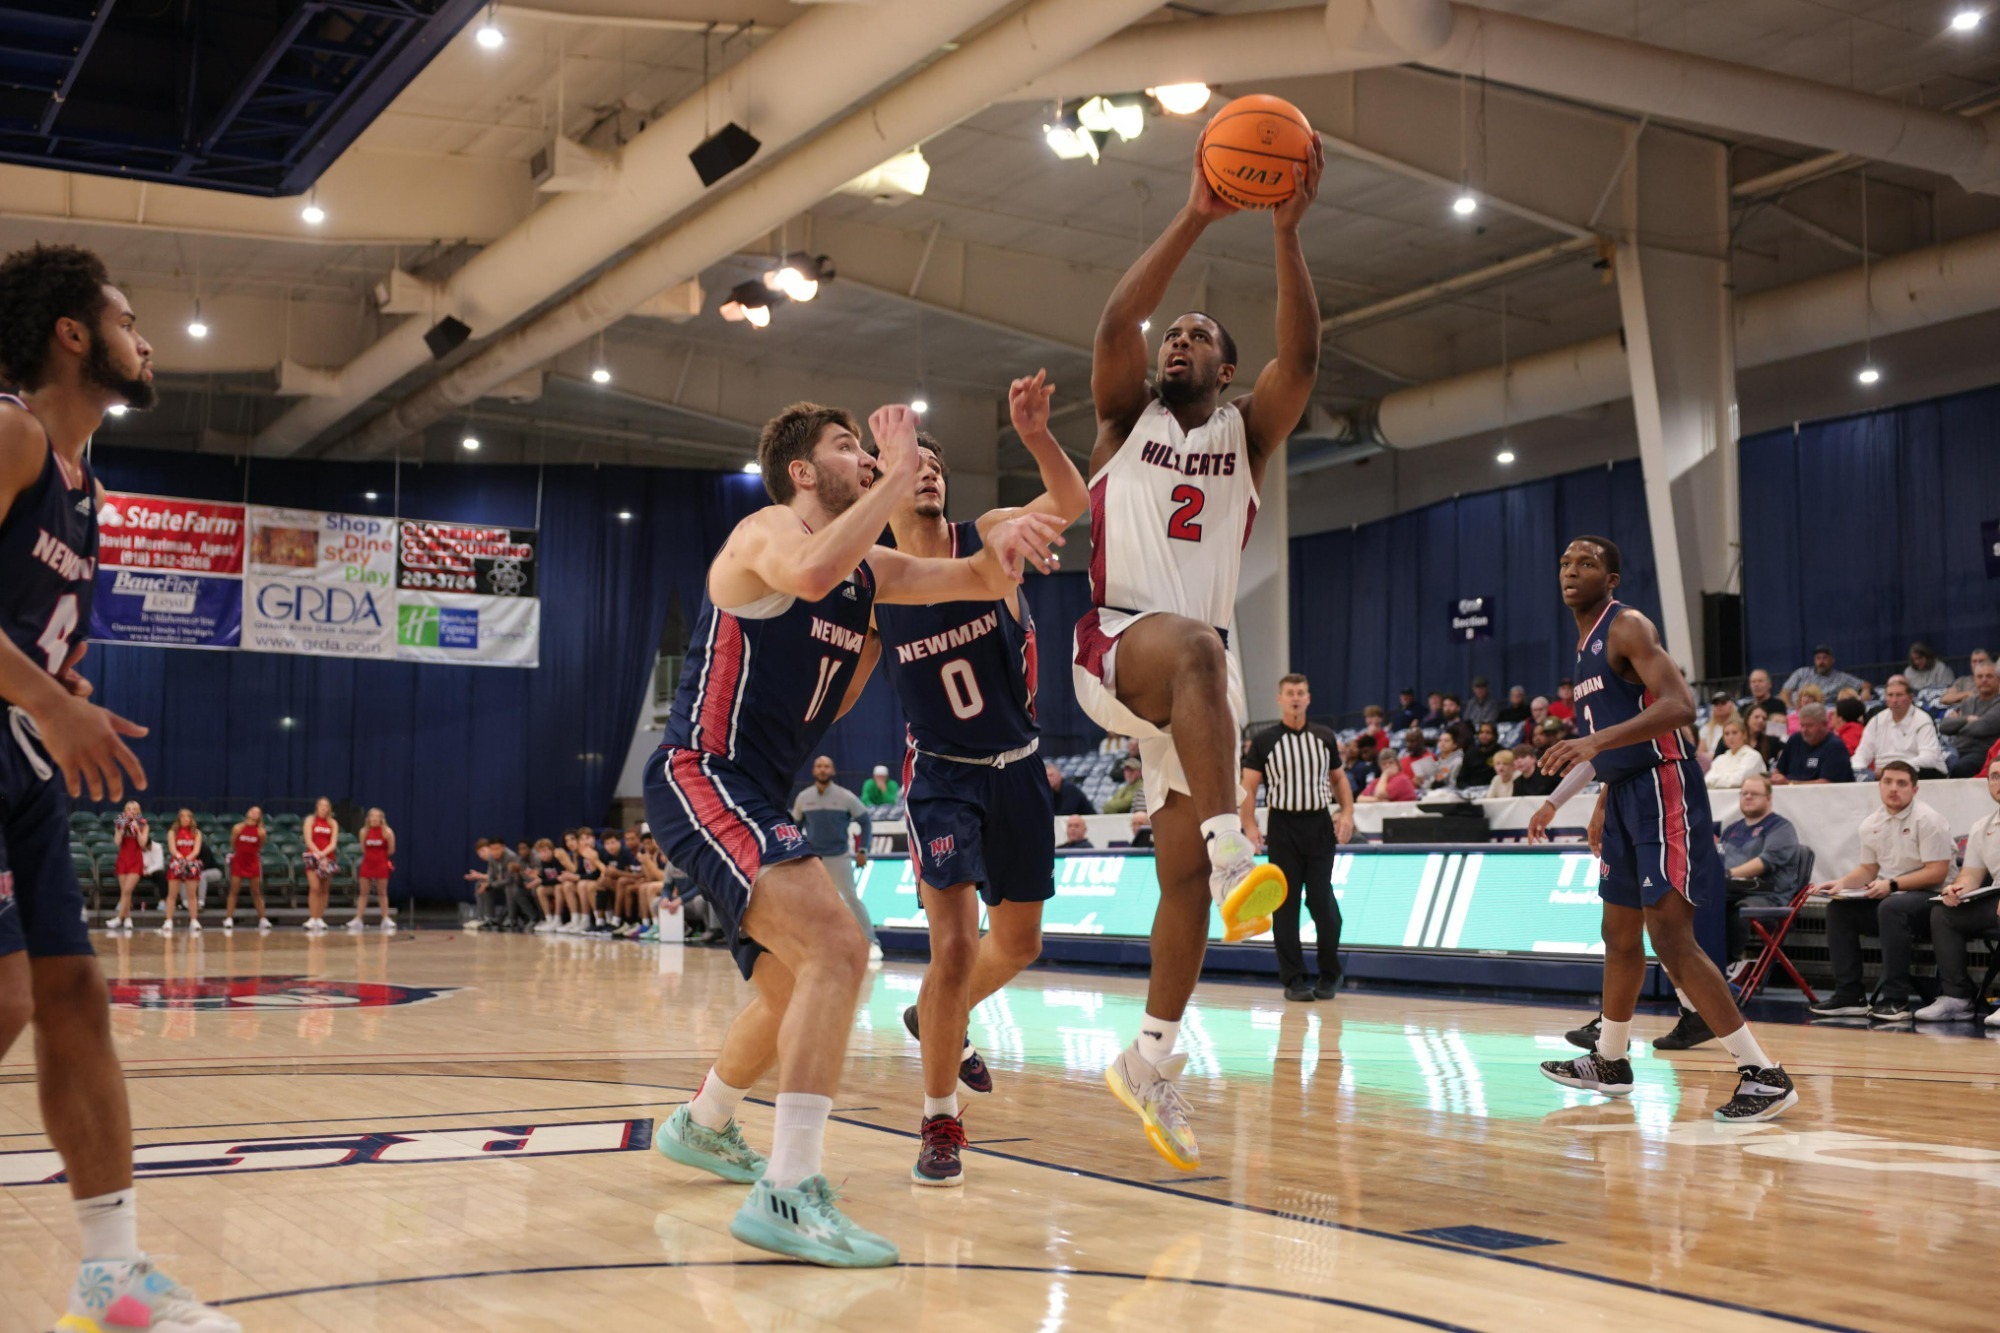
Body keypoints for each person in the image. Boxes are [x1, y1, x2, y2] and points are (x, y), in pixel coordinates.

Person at [642, 399, 1061, 1266]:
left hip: (760, 792)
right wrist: (900, 473)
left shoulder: (867, 572)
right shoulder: (767, 532)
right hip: (703, 773)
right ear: (804, 471)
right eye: (848, 449)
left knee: (796, 990)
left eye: (870, 453)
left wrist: (1007, 545)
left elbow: (973, 580)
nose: (866, 460)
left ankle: (704, 1121)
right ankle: (790, 1190)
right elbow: (809, 571)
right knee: (841, 945)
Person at [1067, 135, 1322, 1174]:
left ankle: (1151, 1056)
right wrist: (1194, 215)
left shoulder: (1246, 435)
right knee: (1191, 648)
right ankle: (1234, 846)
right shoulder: (1122, 419)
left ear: (1224, 369)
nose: (1174, 342)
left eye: (1196, 338)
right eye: (1168, 336)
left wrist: (1284, 230)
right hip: (1117, 642)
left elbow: (1300, 360)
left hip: (1198, 685)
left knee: (1176, 887)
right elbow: (1113, 323)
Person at [0, 242, 239, 1328]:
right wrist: (51, 700)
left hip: (24, 760)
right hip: (10, 738)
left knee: (74, 997)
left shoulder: (87, 487)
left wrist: (58, 680)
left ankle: (111, 1271)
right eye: (128, 318)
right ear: (71, 332)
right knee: (9, 995)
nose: (144, 339)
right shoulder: (9, 431)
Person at [876, 395, 1082, 1186]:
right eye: (913, 464)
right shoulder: (878, 584)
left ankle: (934, 1012)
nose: (928, 472)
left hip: (1020, 766)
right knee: (955, 946)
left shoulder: (986, 532)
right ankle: (939, 1122)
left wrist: (1033, 435)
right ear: (886, 485)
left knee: (1021, 942)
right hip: (941, 778)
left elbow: (1069, 504)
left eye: (936, 465)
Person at [1527, 535, 1796, 1122]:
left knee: (1671, 937)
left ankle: (1763, 1073)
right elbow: (1614, 741)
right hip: (1625, 794)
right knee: (1618, 933)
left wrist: (1595, 744)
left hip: (1662, 786)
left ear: (1612, 578)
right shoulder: (1583, 647)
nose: (1572, 571)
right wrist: (1576, 800)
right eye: (1566, 563)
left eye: (1587, 564)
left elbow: (1679, 707)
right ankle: (1610, 1058)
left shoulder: (1627, 627)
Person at [1805, 761, 1956, 1023]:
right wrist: (1841, 883)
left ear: (1915, 789)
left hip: (1935, 901)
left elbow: (1937, 872)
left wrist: (1893, 885)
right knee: (1839, 909)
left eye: (1901, 783)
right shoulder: (1871, 823)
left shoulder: (1929, 820)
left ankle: (1895, 999)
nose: (1893, 789)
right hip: (1895, 899)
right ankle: (1849, 994)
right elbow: (1868, 869)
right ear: (1879, 785)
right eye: (1887, 782)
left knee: (1891, 907)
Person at [1240, 674, 1352, 1003]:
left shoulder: (1324, 736)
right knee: (1285, 906)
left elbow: (1339, 780)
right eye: (1289, 693)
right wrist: (1249, 824)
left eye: (1301, 692)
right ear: (1279, 699)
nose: (1295, 698)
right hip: (1283, 827)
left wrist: (1347, 813)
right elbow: (1248, 787)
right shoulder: (1264, 740)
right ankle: (1294, 978)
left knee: (1321, 901)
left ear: (1308, 698)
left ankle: (1330, 974)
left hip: (1318, 826)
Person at [1914, 765, 2000, 1024]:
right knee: (1944, 913)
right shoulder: (1983, 826)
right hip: (1995, 900)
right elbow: (1972, 874)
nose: (1999, 781)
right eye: (1994, 776)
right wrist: (1956, 889)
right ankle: (1957, 998)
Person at [792, 755, 879, 962]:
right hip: (814, 860)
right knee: (809, 903)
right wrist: (797, 854)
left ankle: (872, 942)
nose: (823, 769)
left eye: (827, 766)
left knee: (851, 899)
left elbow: (865, 822)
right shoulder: (803, 798)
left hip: (839, 857)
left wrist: (863, 850)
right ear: (814, 771)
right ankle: (809, 946)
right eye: (819, 766)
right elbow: (794, 828)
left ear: (833, 771)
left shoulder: (845, 796)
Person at [1718, 774, 1804, 965]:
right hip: (1730, 890)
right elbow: (1718, 859)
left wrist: (1728, 875)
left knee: (1736, 910)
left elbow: (1765, 862)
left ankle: (1729, 965)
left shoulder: (1781, 828)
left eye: (1754, 794)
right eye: (1744, 793)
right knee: (1703, 902)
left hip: (1769, 895)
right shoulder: (1731, 829)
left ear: (1769, 798)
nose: (1748, 797)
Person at [1853, 675, 1946, 778]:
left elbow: (1929, 758)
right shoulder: (1876, 721)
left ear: (1910, 698)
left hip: (1918, 773)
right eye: (1890, 695)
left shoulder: (1922, 719)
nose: (1894, 700)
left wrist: (1893, 770)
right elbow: (1861, 757)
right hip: (1884, 776)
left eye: (1899, 695)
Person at [1939, 657, 2000, 777]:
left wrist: (1957, 727)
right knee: (1932, 768)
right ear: (1974, 680)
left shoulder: (1998, 703)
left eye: (1989, 676)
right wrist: (1966, 719)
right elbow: (1944, 726)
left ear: (1998, 680)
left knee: (1960, 768)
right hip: (1956, 750)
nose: (1984, 680)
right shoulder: (1968, 702)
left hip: (1982, 752)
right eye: (1980, 676)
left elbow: (1982, 727)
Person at [1772, 702, 1853, 784]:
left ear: (1824, 724)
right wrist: (1776, 778)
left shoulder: (1835, 747)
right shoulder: (1795, 739)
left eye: (1809, 726)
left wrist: (1789, 784)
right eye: (1802, 725)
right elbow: (1778, 771)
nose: (1804, 730)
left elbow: (1826, 784)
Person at [349, 807, 396, 933]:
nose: (374, 818)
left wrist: (380, 857)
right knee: (364, 892)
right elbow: (364, 848)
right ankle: (358, 919)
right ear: (368, 818)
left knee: (382, 892)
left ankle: (385, 918)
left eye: (377, 816)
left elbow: (391, 850)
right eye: (372, 816)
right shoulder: (363, 832)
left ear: (381, 819)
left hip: (381, 864)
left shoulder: (388, 832)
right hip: (367, 864)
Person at [159, 809, 202, 937]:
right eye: (182, 816)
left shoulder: (197, 833)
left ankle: (194, 920)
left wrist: (187, 860)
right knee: (172, 894)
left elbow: (196, 850)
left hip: (191, 863)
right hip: (176, 863)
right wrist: (180, 858)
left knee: (192, 894)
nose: (185, 819)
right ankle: (168, 920)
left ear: (191, 818)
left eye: (188, 816)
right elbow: (172, 849)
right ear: (179, 818)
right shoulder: (173, 832)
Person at [105, 800, 146, 932]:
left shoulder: (143, 823)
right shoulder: (119, 822)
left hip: (136, 859)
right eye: (129, 809)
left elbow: (143, 844)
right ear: (125, 811)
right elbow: (117, 842)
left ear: (138, 812)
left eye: (134, 809)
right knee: (125, 892)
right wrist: (122, 829)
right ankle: (128, 919)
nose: (131, 811)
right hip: (123, 859)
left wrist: (137, 829)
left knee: (127, 890)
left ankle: (119, 918)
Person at [1782, 644, 1870, 705]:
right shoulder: (1801, 673)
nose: (1821, 662)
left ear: (1832, 660)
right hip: (1797, 710)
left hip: (1822, 713)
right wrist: (1791, 709)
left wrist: (1866, 690)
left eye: (1825, 658)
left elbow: (1865, 685)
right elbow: (1785, 693)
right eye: (1818, 658)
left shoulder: (1841, 678)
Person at [300, 796, 339, 931]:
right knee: (315, 887)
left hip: (328, 858)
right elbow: (308, 841)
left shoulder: (333, 823)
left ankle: (320, 918)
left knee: (324, 889)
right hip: (312, 857)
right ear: (317, 807)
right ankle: (312, 917)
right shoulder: (310, 820)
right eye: (321, 805)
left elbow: (333, 843)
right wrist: (318, 854)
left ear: (329, 808)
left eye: (326, 805)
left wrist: (324, 855)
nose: (323, 808)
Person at [1704, 719, 1767, 789]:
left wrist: (1716, 780)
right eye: (1727, 734)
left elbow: (1739, 780)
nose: (1731, 737)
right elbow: (1707, 780)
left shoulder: (1753, 756)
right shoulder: (1720, 759)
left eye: (1734, 733)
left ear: (1744, 735)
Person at [1696, 692, 1737, 757]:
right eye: (1716, 704)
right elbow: (1700, 754)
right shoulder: (1706, 729)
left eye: (1723, 703)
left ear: (1731, 705)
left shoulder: (1739, 726)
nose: (1719, 706)